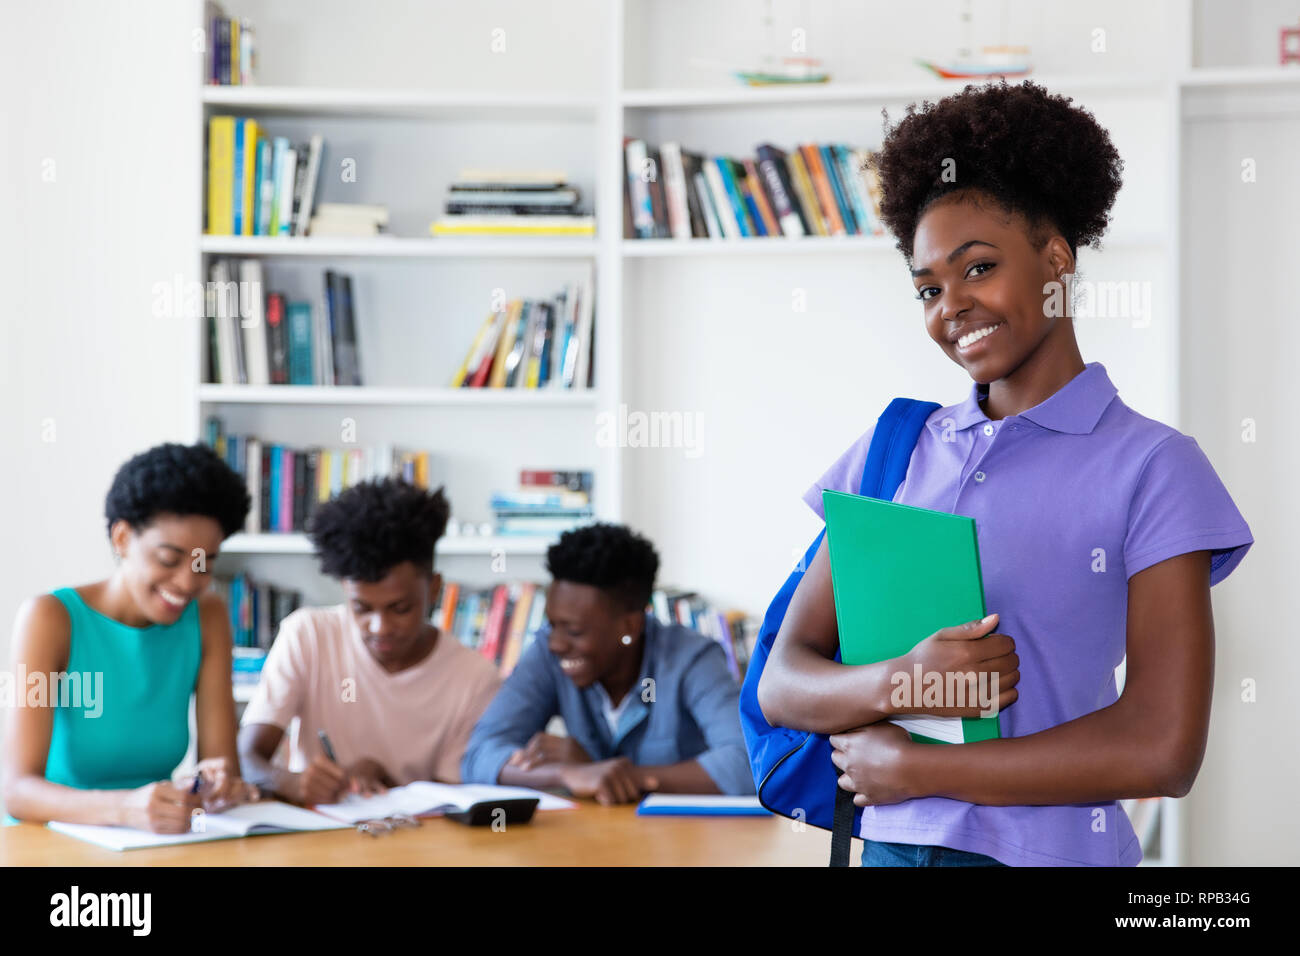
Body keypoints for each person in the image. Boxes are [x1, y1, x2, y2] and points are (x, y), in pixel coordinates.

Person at [757, 80, 1254, 867]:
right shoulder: (895, 449)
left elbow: (1163, 746)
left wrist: (921, 768)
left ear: (1056, 258)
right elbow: (783, 683)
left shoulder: (1155, 467)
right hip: (885, 852)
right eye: (928, 288)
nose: (950, 306)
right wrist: (905, 681)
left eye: (978, 267)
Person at [3, 442, 259, 832]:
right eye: (169, 559)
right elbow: (17, 790)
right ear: (121, 537)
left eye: (204, 562)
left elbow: (221, 765)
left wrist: (215, 783)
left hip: (154, 842)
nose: (188, 582)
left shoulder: (208, 617)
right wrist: (125, 808)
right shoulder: (49, 619)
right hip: (50, 844)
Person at [238, 478, 501, 806]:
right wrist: (292, 782)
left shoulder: (475, 678)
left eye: (400, 608)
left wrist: (382, 776)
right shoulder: (307, 636)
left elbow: (451, 802)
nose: (380, 627)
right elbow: (246, 758)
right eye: (361, 608)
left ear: (433, 589)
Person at [461, 522, 754, 804]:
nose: (556, 643)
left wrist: (624, 777)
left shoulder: (691, 659)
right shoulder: (548, 655)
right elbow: (479, 755)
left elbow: (746, 763)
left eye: (574, 631)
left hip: (684, 846)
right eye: (552, 625)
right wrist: (569, 774)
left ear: (629, 626)